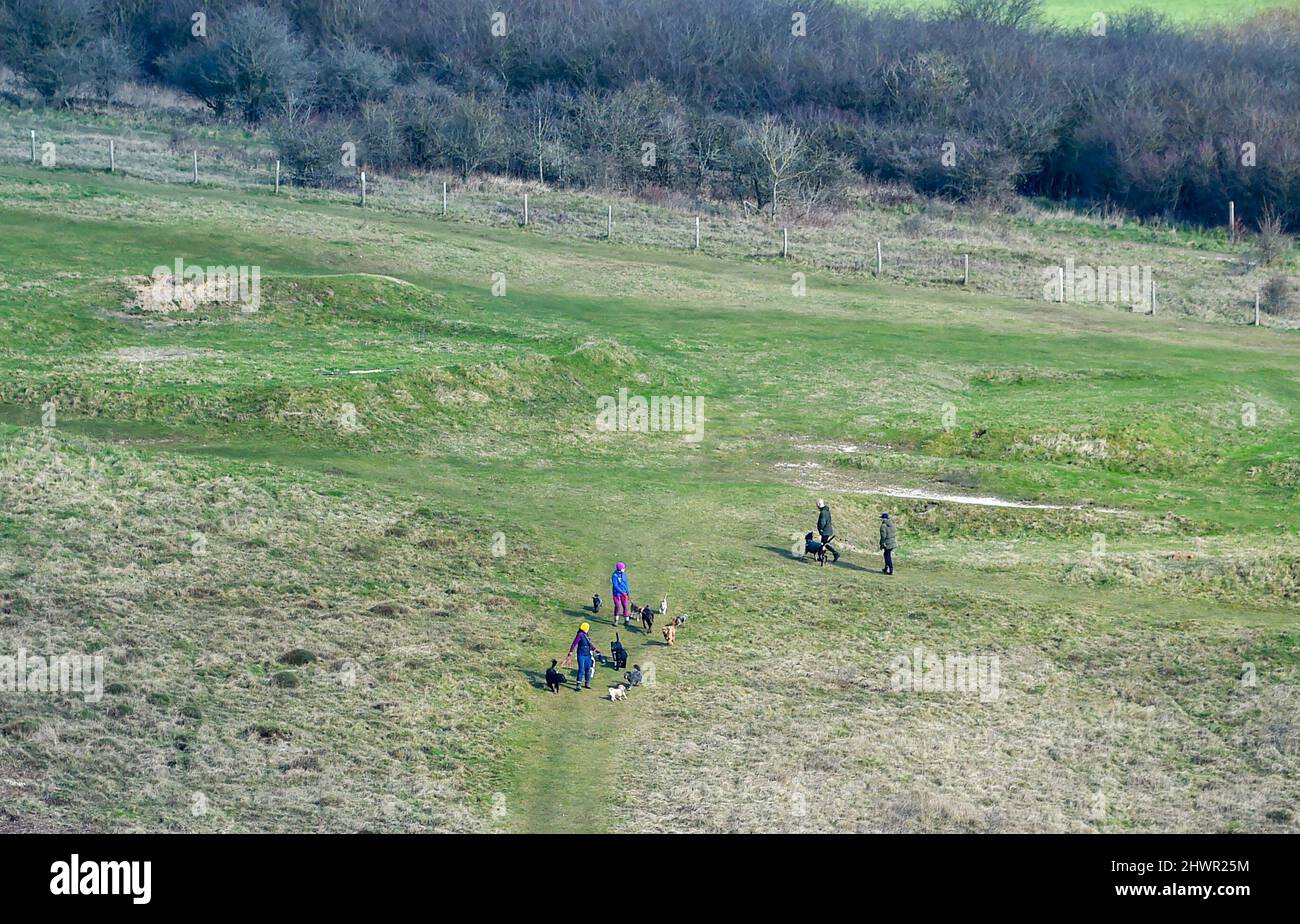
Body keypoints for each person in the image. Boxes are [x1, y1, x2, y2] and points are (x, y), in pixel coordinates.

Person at [564, 622, 602, 690]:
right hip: (581, 654)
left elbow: (589, 644)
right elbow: (574, 644)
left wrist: (595, 649)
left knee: (588, 669)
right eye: (587, 628)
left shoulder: (587, 635)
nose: (588, 629)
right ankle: (578, 684)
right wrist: (570, 652)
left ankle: (587, 683)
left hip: (588, 655)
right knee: (581, 669)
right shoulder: (579, 635)